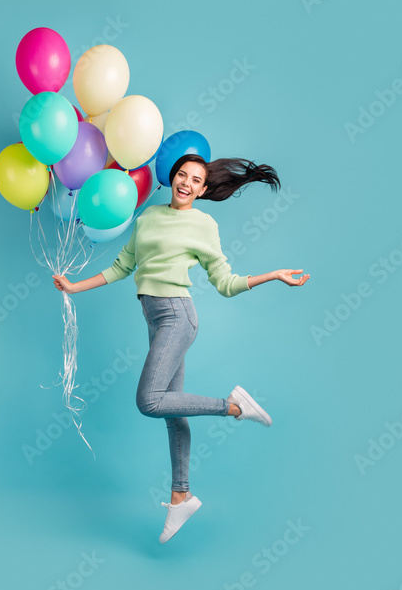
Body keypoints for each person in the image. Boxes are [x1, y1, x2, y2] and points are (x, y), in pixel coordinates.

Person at [52, 154, 310, 543]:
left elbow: (225, 281)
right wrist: (75, 286)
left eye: (195, 180)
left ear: (204, 190)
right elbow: (123, 266)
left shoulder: (203, 225)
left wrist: (273, 275)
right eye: (182, 175)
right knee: (174, 412)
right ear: (172, 179)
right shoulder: (149, 217)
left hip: (177, 316)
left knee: (149, 401)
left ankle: (235, 407)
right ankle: (180, 496)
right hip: (154, 317)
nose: (186, 183)